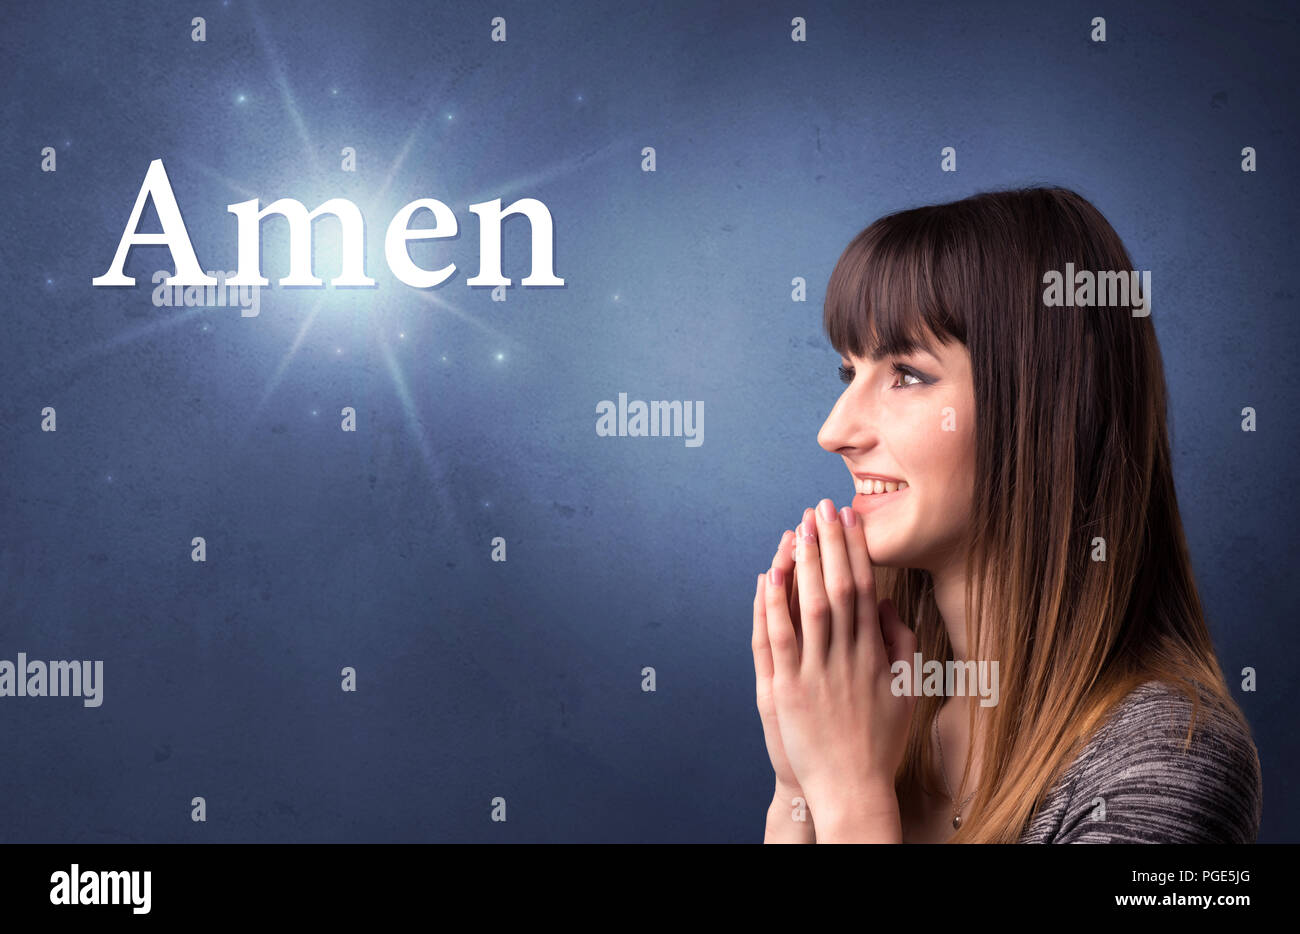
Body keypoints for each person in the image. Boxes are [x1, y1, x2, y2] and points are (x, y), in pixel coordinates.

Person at [752, 187, 1263, 843]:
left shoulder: (1164, 760)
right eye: (849, 372)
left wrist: (849, 797)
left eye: (906, 373)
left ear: (1047, 408)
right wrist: (796, 790)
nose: (834, 431)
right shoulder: (883, 722)